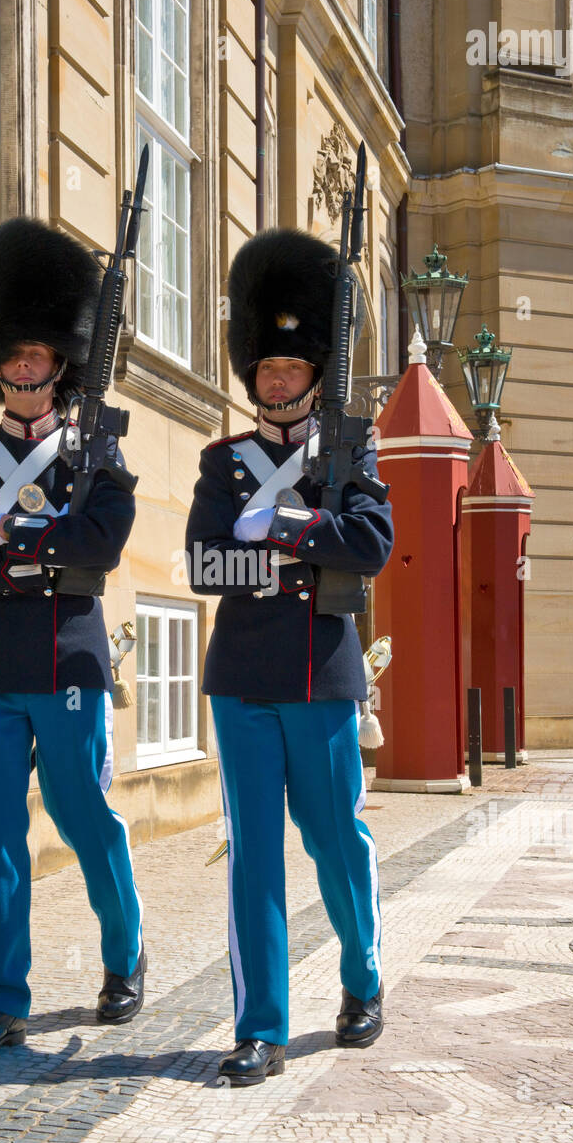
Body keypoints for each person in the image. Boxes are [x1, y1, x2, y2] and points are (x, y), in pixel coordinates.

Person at [0, 217, 145, 1061]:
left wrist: (7, 548)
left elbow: (103, 544)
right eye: (12, 354)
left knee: (81, 813)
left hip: (68, 664)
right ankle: (2, 997)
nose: (24, 367)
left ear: (62, 361)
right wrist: (36, 551)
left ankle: (123, 957)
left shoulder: (96, 452)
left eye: (39, 354)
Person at [185, 227, 394, 1086]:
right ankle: (260, 1024)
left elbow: (372, 542)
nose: (277, 380)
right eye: (266, 369)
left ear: (316, 373)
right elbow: (203, 563)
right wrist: (301, 553)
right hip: (242, 681)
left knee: (334, 836)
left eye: (292, 368)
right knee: (254, 850)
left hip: (321, 675)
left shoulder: (348, 451)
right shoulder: (222, 462)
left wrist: (294, 526)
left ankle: (362, 977)